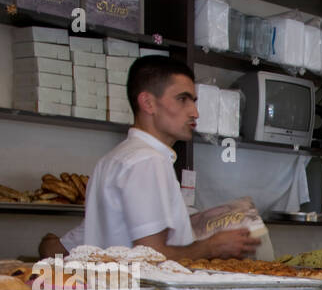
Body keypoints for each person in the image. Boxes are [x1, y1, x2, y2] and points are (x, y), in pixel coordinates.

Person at [38, 56, 258, 260]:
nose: (194, 112)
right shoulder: (148, 161)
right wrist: (210, 247)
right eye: (183, 99)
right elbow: (149, 258)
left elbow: (83, 242)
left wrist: (48, 243)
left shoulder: (112, 159)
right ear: (148, 103)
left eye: (194, 100)